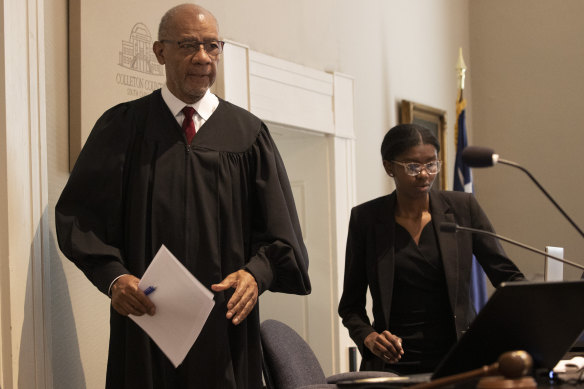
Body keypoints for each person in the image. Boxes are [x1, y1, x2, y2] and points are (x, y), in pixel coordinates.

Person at [55, 4, 311, 388]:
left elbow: (281, 233)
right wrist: (114, 279)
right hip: (147, 324)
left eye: (213, 46)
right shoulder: (123, 128)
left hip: (227, 328)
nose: (203, 58)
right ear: (160, 52)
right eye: (189, 45)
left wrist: (256, 275)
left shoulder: (248, 134)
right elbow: (79, 219)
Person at [338, 123, 524, 375]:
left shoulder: (462, 209)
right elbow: (350, 306)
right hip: (393, 365)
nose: (424, 174)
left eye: (432, 164)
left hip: (458, 362)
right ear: (389, 167)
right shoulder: (366, 220)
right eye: (413, 166)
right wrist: (369, 337)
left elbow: (508, 278)